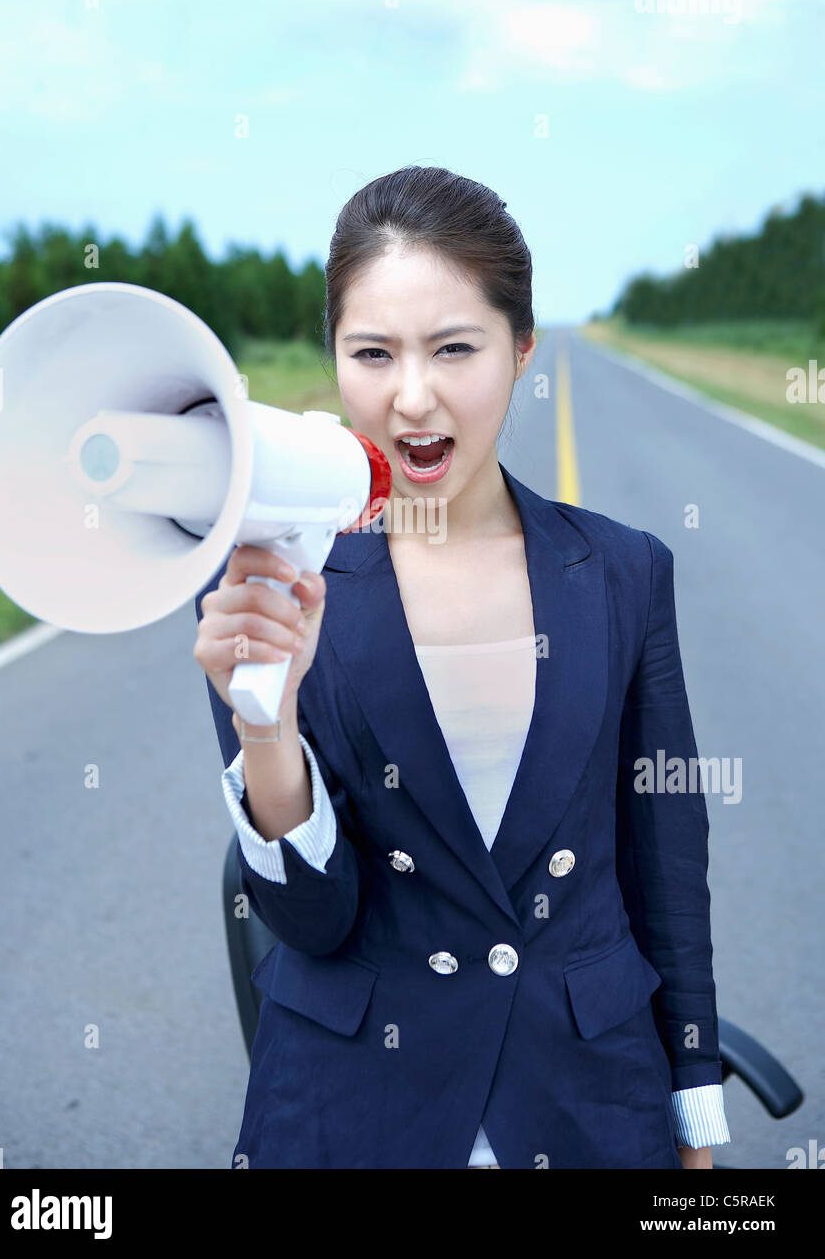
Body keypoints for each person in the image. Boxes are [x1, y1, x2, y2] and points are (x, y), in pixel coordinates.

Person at [194, 164, 731, 1169]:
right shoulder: (259, 588)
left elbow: (667, 867)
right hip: (353, 1109)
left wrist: (694, 1107)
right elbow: (312, 921)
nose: (411, 396)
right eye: (372, 352)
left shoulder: (622, 572)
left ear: (522, 348)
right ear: (334, 360)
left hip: (590, 1100)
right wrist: (266, 724)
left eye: (454, 348)